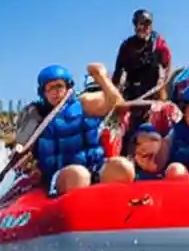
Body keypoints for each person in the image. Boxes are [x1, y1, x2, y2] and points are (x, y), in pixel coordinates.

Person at [14, 62, 135, 196]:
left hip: (96, 167)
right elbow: (21, 145)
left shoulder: (85, 103)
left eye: (59, 86)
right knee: (79, 175)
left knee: (123, 167)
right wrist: (22, 157)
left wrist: (102, 78)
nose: (56, 91)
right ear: (43, 92)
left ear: (68, 87)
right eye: (50, 88)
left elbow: (119, 107)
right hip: (60, 176)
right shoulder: (36, 113)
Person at [111, 9, 172, 101]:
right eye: (138, 23)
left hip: (154, 91)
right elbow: (118, 72)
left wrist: (162, 86)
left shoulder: (158, 41)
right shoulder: (127, 45)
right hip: (132, 92)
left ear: (150, 26)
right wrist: (115, 91)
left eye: (145, 24)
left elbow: (167, 64)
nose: (142, 27)